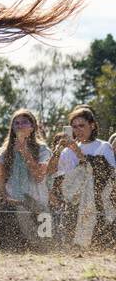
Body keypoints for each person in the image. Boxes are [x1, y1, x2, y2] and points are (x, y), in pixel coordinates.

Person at [47, 106, 116, 249]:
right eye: (74, 127)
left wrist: (78, 152)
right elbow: (52, 173)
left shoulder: (103, 147)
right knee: (73, 249)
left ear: (92, 125)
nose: (78, 130)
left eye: (81, 125)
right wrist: (58, 150)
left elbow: (108, 174)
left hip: (97, 206)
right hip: (73, 207)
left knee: (98, 249)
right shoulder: (66, 151)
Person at [0, 109, 52, 251]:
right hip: (14, 206)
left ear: (33, 127)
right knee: (16, 249)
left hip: (40, 204)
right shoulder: (4, 152)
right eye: (16, 123)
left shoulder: (43, 150)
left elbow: (39, 176)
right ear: (12, 128)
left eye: (25, 122)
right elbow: (0, 181)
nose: (20, 126)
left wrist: (25, 152)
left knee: (45, 247)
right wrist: (5, 198)